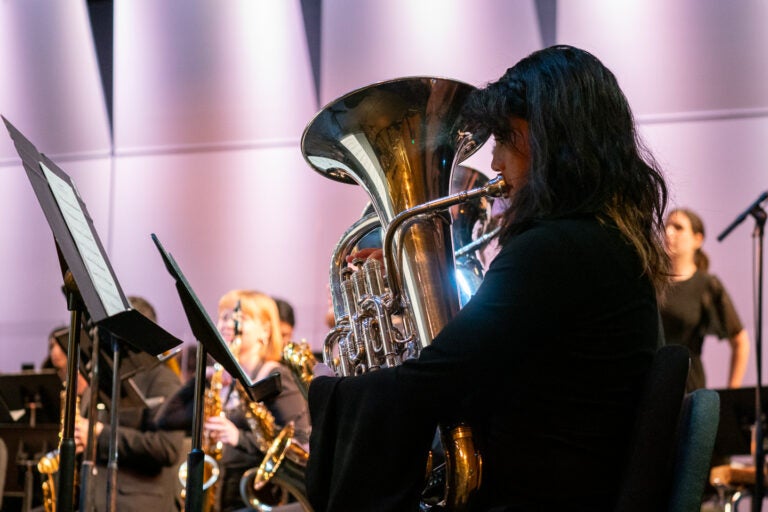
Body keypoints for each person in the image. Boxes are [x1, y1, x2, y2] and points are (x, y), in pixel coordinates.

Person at [306, 45, 670, 512]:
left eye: (504, 138)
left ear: (548, 140)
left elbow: (435, 380)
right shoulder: (601, 241)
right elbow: (483, 362)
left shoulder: (555, 249)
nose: (494, 162)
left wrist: (327, 394)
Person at [158, 290, 310, 512]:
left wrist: (238, 437)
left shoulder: (275, 376)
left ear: (265, 330)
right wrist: (199, 379)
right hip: (226, 496)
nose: (228, 324)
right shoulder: (225, 379)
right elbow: (166, 419)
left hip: (262, 499)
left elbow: (299, 440)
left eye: (240, 318)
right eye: (224, 317)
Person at [73, 296, 185, 512]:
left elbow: (166, 448)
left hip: (136, 502)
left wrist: (98, 434)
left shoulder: (161, 379)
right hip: (93, 496)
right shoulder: (101, 375)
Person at [661, 208, 750, 391]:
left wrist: (732, 394)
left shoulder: (706, 285)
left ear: (697, 239)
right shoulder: (652, 281)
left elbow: (740, 341)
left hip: (686, 386)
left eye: (678, 227)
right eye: (667, 226)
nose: (669, 233)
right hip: (650, 384)